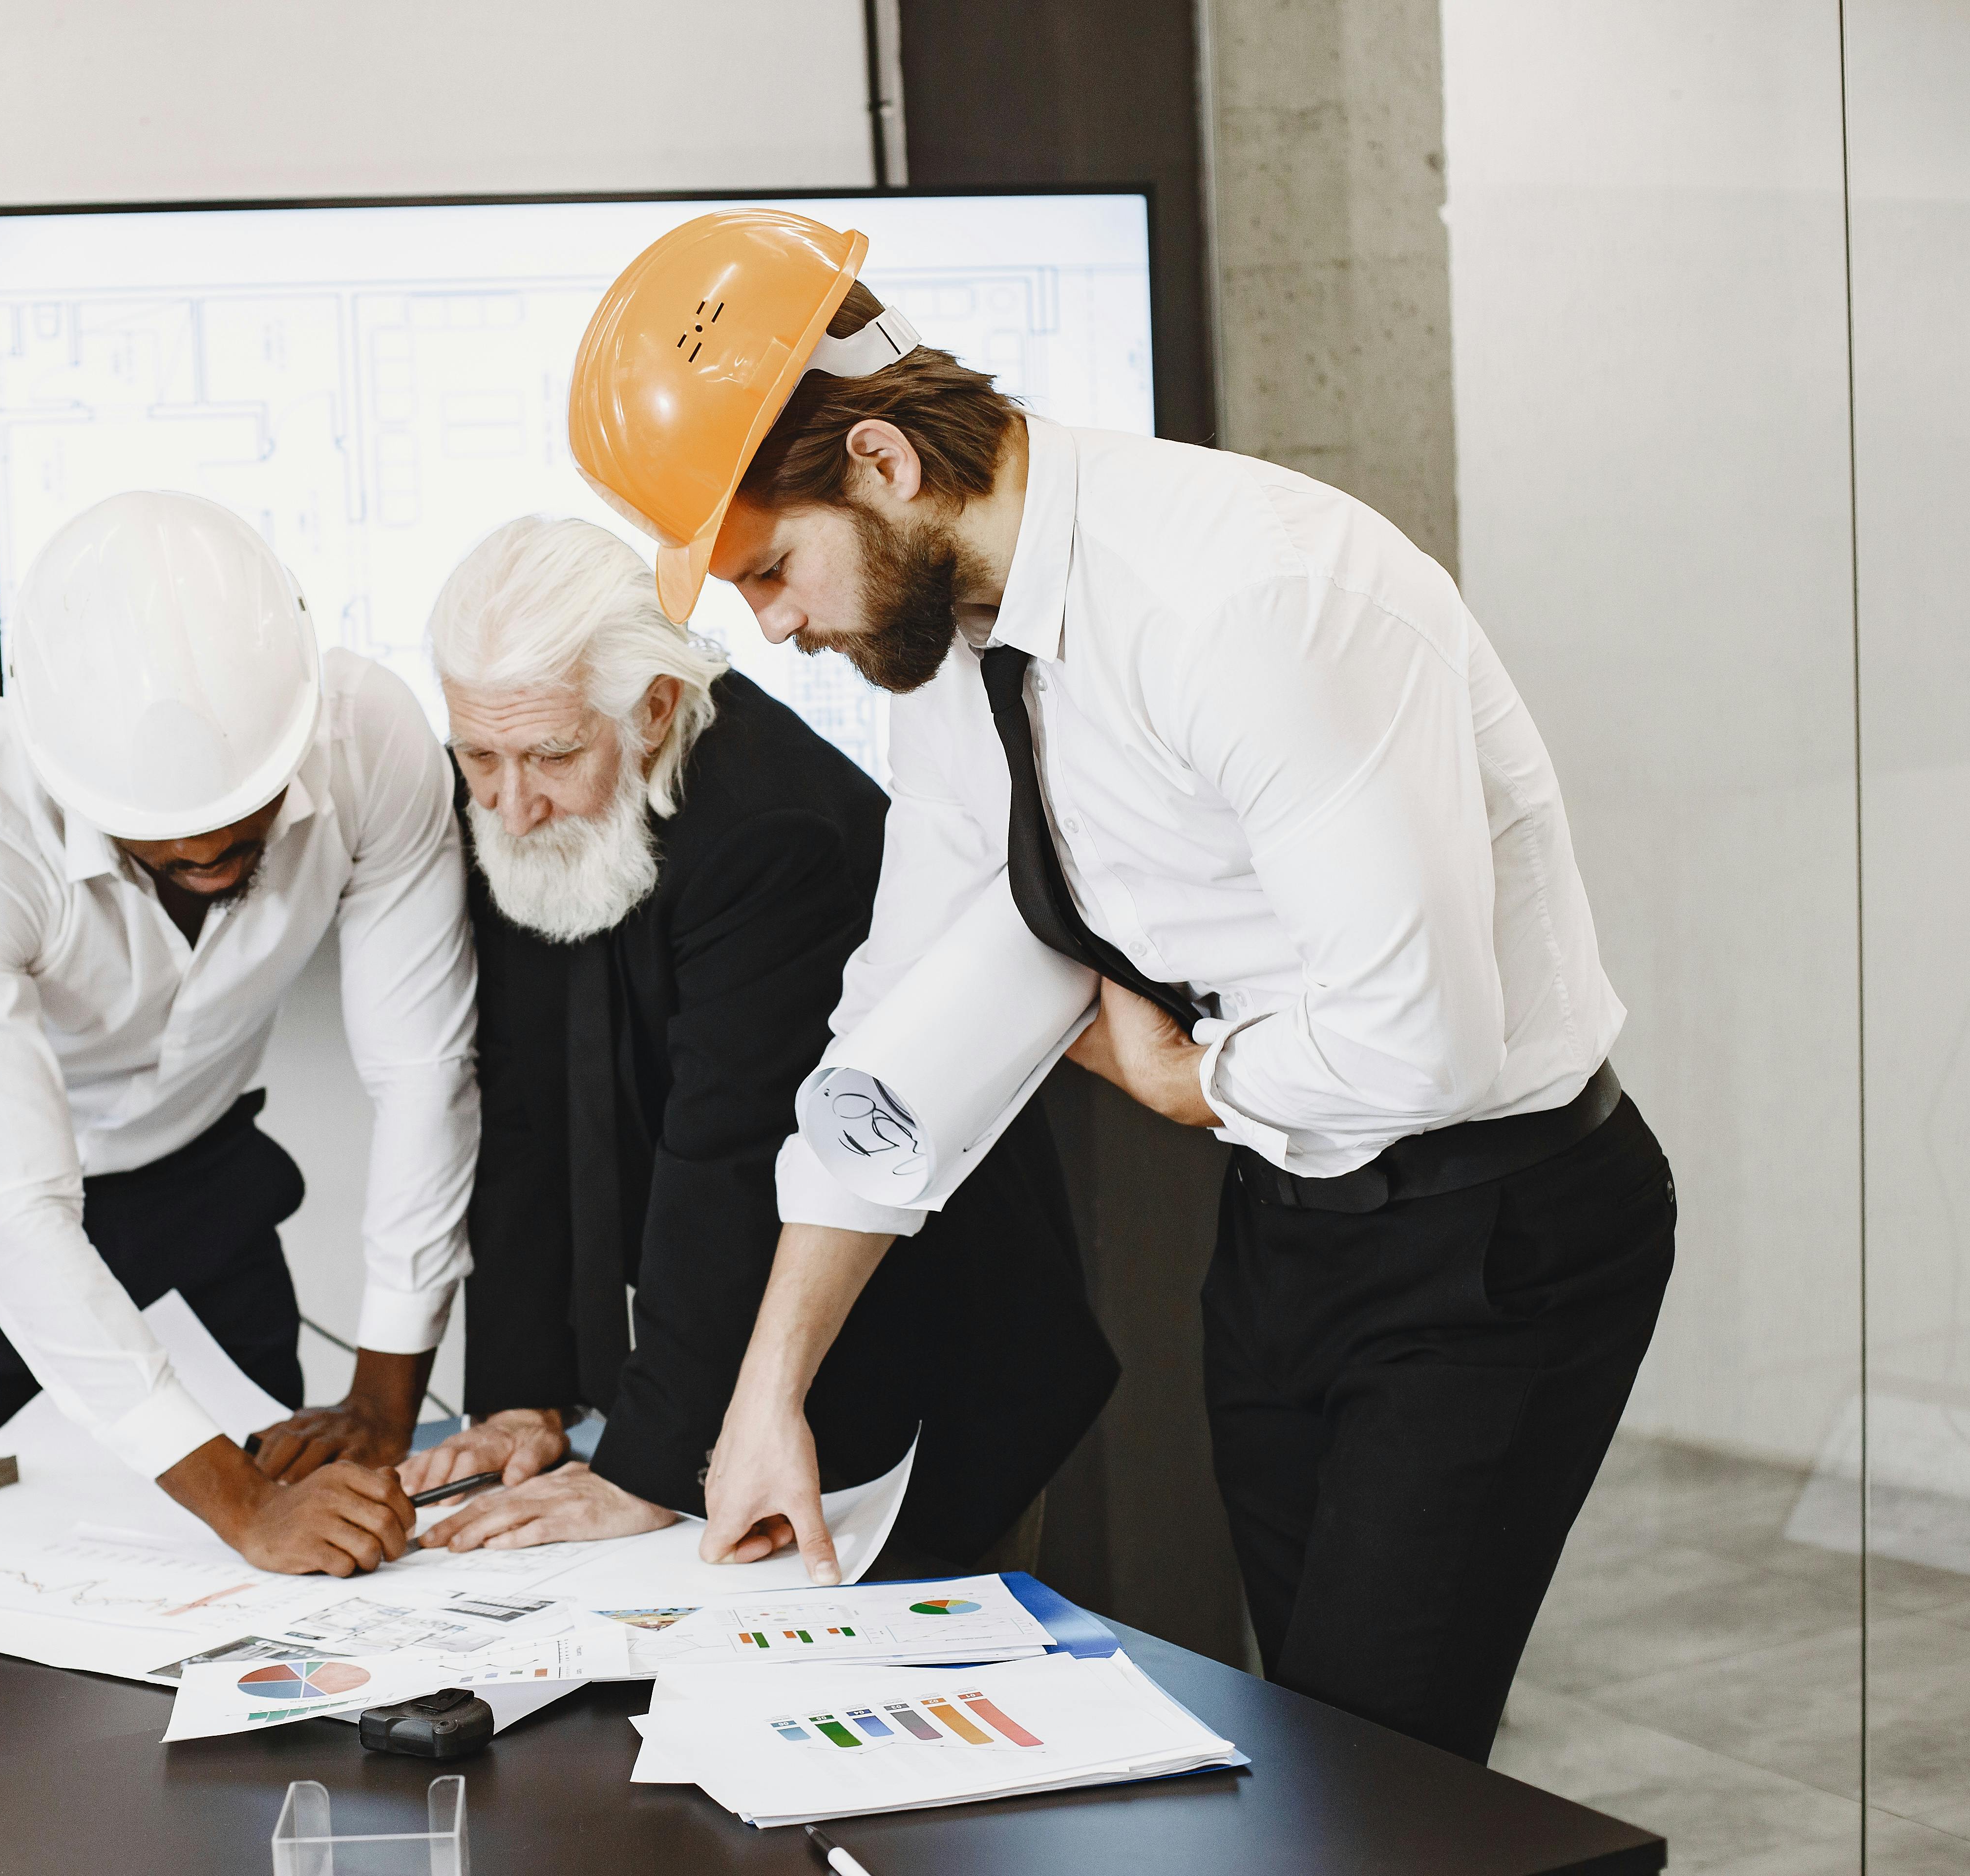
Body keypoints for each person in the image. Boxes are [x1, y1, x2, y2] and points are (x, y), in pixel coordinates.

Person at [563, 211, 1675, 1762]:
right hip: (1288, 1223)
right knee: (1316, 1747)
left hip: (1498, 1228)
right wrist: (769, 1397)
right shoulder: (956, 651)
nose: (779, 627)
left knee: (1388, 1769)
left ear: (880, 462)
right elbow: (900, 1040)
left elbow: (1421, 1042)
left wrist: (1184, 1083)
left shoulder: (1250, 601)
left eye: (770, 569)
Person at [397, 515, 1114, 1573]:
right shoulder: (526, 803)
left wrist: (642, 1469)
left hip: (923, 1359)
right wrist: (521, 1395)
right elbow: (527, 1110)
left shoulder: (772, 830)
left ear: (653, 707)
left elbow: (728, 1157)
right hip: (754, 1351)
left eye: (547, 754)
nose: (508, 802)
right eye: (477, 756)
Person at [0, 490, 477, 1577]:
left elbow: (425, 1073)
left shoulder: (370, 738)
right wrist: (240, 1509)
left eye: (249, 810)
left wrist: (382, 1400)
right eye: (168, 838)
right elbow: (19, 1214)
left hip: (199, 1181)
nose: (216, 851)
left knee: (287, 1593)